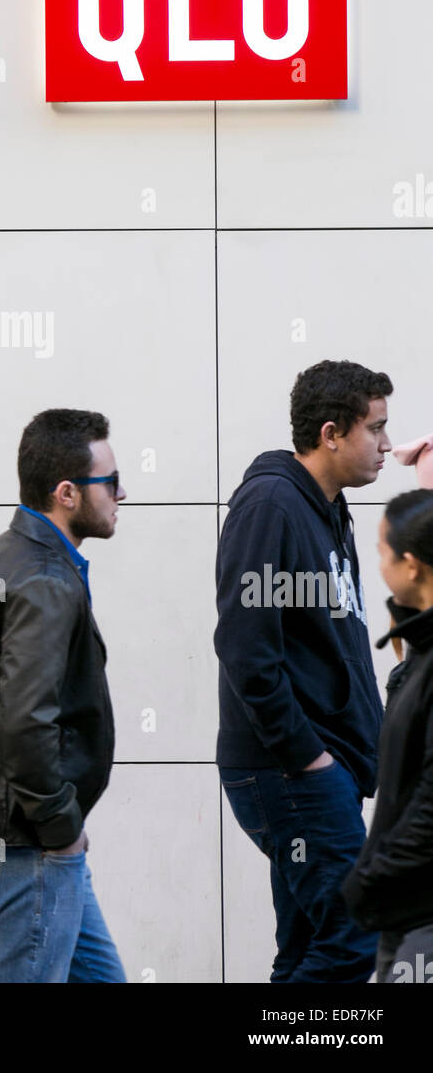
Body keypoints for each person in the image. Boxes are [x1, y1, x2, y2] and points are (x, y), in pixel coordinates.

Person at [0, 408, 126, 983]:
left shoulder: (0, 556)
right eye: (110, 482)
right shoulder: (43, 577)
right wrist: (61, 825)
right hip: (24, 846)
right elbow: (24, 723)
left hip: (26, 838)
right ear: (67, 493)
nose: (123, 494)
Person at [214, 359, 393, 983]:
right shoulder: (271, 505)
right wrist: (309, 757)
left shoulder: (327, 507)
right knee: (356, 934)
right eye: (376, 428)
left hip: (321, 769)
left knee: (307, 947)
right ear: (331, 434)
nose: (387, 445)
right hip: (292, 769)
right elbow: (245, 648)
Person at [342, 490, 433, 982]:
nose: (376, 565)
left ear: (412, 565)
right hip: (405, 907)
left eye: (381, 551)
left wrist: (369, 881)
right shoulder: (419, 650)